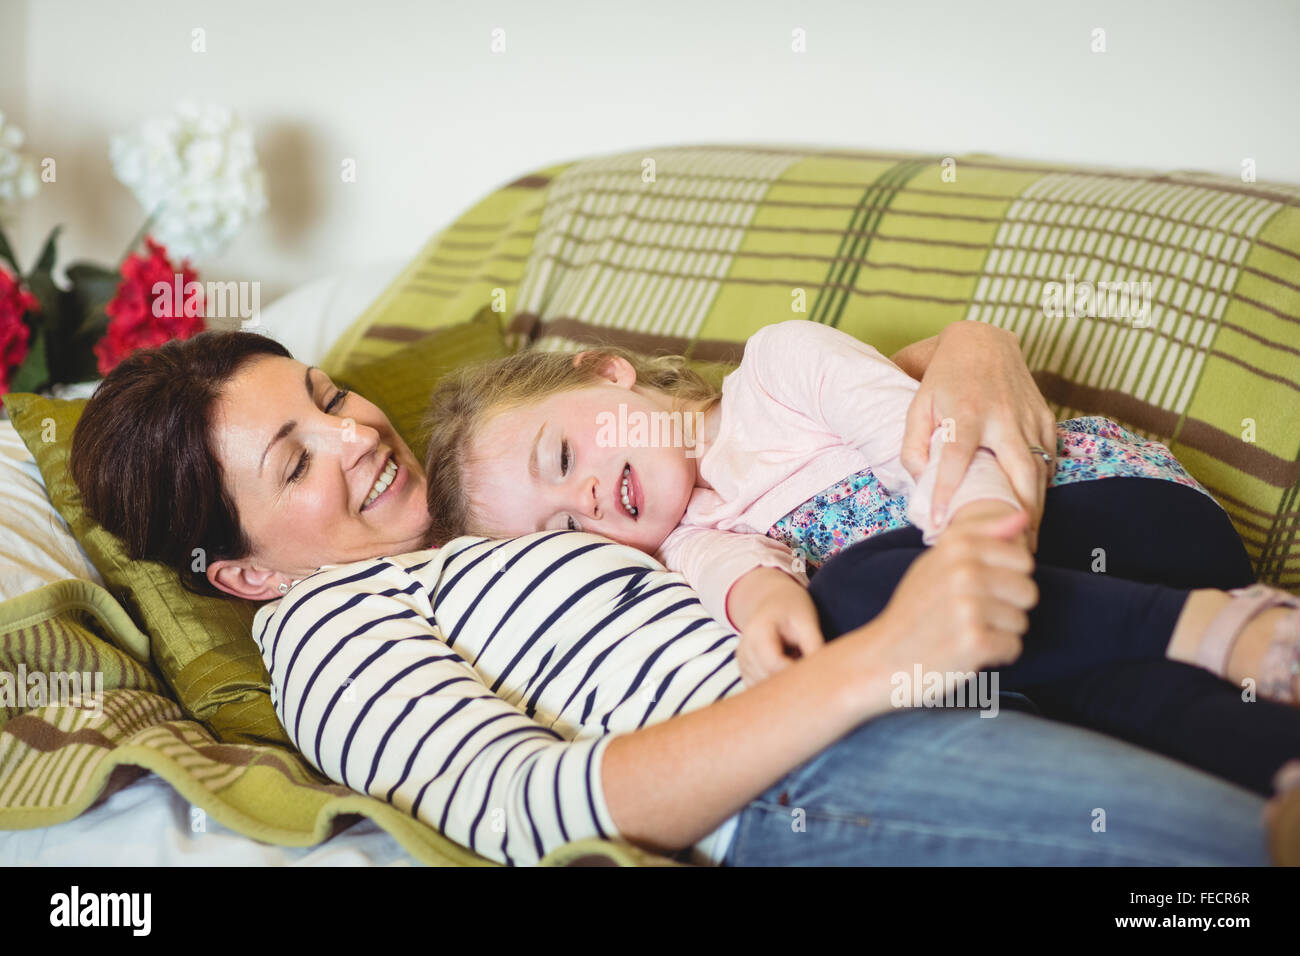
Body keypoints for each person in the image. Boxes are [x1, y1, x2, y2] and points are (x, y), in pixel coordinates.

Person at [69, 325, 1280, 866]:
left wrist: (971, 345)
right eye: (294, 463)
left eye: (329, 400)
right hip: (813, 778)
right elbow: (517, 810)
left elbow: (801, 430)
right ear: (245, 574)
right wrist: (871, 662)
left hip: (939, 669)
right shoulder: (331, 628)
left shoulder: (506, 506)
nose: (353, 440)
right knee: (1240, 850)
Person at [419, 318, 1300, 801]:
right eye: (564, 534)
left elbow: (918, 435)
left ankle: (1218, 624)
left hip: (1101, 510)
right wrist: (766, 623)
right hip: (1055, 621)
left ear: (608, 374)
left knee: (858, 588)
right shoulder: (686, 538)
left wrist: (975, 535)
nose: (589, 504)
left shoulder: (774, 368)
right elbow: (745, 583)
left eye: (563, 458)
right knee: (1116, 704)